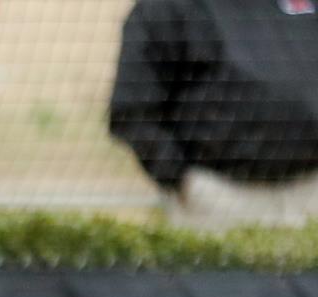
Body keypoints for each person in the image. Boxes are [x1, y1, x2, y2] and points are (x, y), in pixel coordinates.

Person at [108, 0, 318, 230]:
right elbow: (132, 109)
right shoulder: (169, 6)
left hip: (311, 191)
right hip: (220, 198)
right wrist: (182, 179)